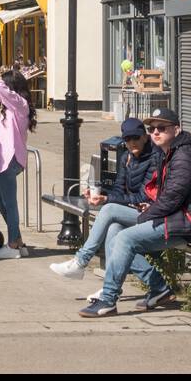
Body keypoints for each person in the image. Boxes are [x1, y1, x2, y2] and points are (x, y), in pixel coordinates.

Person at [79, 108, 191, 318]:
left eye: (162, 128)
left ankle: (108, 299)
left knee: (124, 238)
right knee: (114, 232)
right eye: (152, 128)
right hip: (171, 216)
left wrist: (145, 216)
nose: (155, 132)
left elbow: (171, 198)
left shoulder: (184, 156)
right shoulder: (170, 152)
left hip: (185, 222)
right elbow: (164, 197)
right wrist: (149, 208)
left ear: (177, 129)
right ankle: (159, 288)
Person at [50, 118, 158, 285]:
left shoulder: (154, 158)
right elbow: (119, 191)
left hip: (150, 213)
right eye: (127, 139)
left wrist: (107, 199)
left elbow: (143, 197)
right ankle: (110, 288)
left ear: (145, 136)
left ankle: (81, 261)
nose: (131, 143)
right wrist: (101, 194)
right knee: (114, 230)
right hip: (135, 210)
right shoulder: (127, 158)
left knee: (108, 211)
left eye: (135, 138)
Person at [0, 68, 36, 259]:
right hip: (5, 156)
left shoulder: (20, 104)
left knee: (10, 203)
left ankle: (13, 245)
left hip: (10, 158)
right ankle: (18, 240)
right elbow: (6, 134)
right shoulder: (13, 108)